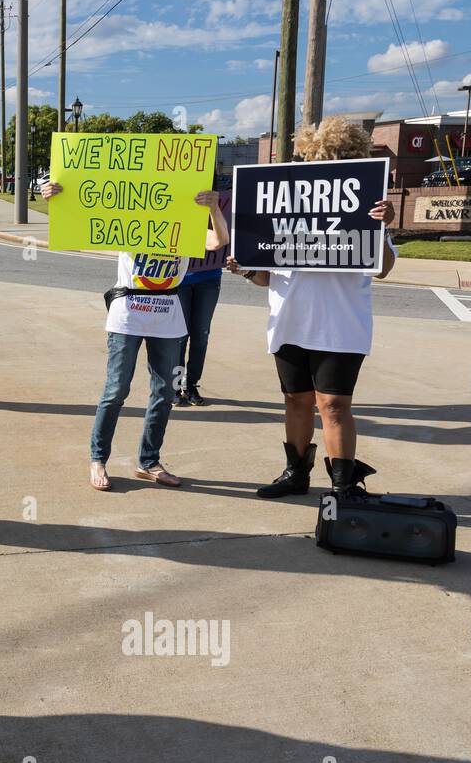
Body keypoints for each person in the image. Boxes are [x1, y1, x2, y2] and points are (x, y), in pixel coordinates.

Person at [226, 115, 397, 498]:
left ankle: (342, 485)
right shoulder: (283, 205)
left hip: (341, 324)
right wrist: (246, 270)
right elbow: (268, 277)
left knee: (333, 404)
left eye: (331, 159)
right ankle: (296, 474)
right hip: (289, 320)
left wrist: (383, 226)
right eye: (314, 159)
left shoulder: (366, 205)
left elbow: (384, 268)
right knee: (295, 400)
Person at [41, 181, 230, 490]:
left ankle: (149, 461)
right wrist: (56, 199)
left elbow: (219, 241)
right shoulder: (130, 222)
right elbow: (79, 223)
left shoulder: (184, 227)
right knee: (116, 390)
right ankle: (98, 459)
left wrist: (212, 208)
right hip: (128, 313)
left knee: (165, 392)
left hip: (167, 315)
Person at [174, 185, 231, 407]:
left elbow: (220, 240)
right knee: (178, 335)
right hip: (178, 281)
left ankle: (191, 384)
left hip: (208, 279)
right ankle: (175, 385)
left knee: (201, 335)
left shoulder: (214, 203)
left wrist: (213, 208)